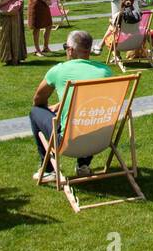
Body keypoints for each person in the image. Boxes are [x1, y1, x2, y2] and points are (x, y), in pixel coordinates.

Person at [30, 30, 115, 181]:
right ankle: (83, 165)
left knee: (35, 111)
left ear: (70, 50)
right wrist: (63, 104)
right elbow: (94, 99)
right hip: (100, 138)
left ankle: (49, 169)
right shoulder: (105, 72)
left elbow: (38, 100)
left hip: (69, 142)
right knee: (91, 115)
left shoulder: (60, 70)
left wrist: (55, 110)